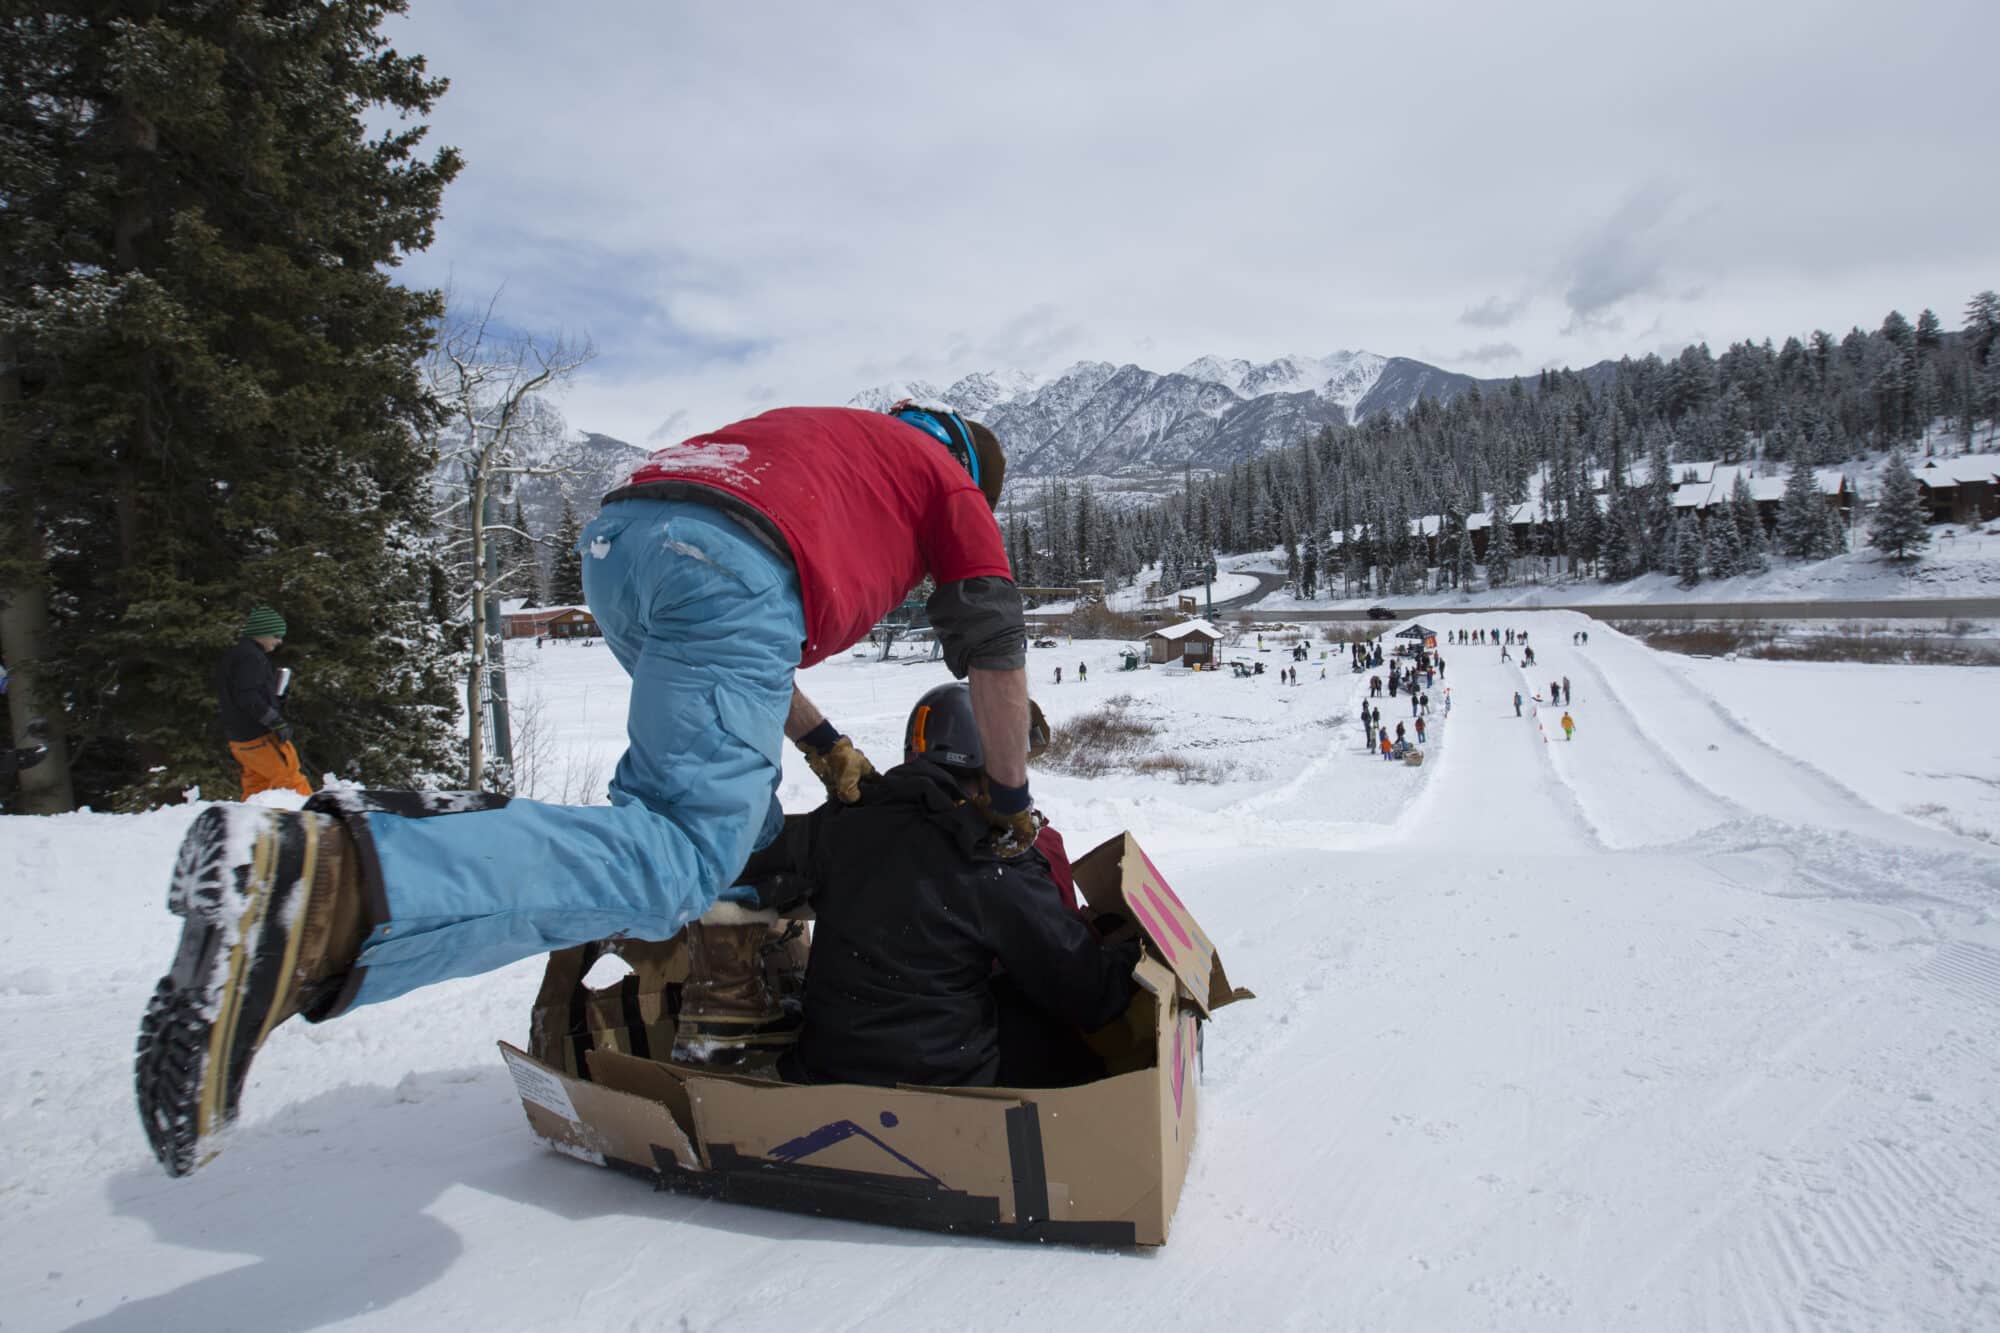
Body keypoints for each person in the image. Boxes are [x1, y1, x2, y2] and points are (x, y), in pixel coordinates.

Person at [138, 403, 1035, 1179]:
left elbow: (738, 615)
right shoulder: (949, 481)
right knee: (677, 857)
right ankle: (329, 873)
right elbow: (992, 642)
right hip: (722, 561)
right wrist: (1005, 795)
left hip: (626, 546)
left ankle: (313, 952)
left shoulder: (841, 443)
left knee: (740, 847)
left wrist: (823, 743)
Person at [739, 683, 1137, 1090]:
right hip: (941, 1085)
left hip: (825, 1067)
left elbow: (749, 870)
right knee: (1059, 1042)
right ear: (987, 765)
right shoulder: (990, 857)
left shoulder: (837, 823)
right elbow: (1084, 989)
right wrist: (1131, 956)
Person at [215, 606, 312, 800]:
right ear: (261, 632)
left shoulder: (236, 656)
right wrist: (275, 721)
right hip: (260, 736)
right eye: (276, 635)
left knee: (257, 785)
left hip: (239, 739)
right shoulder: (251, 658)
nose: (279, 641)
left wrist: (274, 696)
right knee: (290, 780)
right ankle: (312, 823)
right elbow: (248, 697)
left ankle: (251, 824)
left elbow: (239, 694)